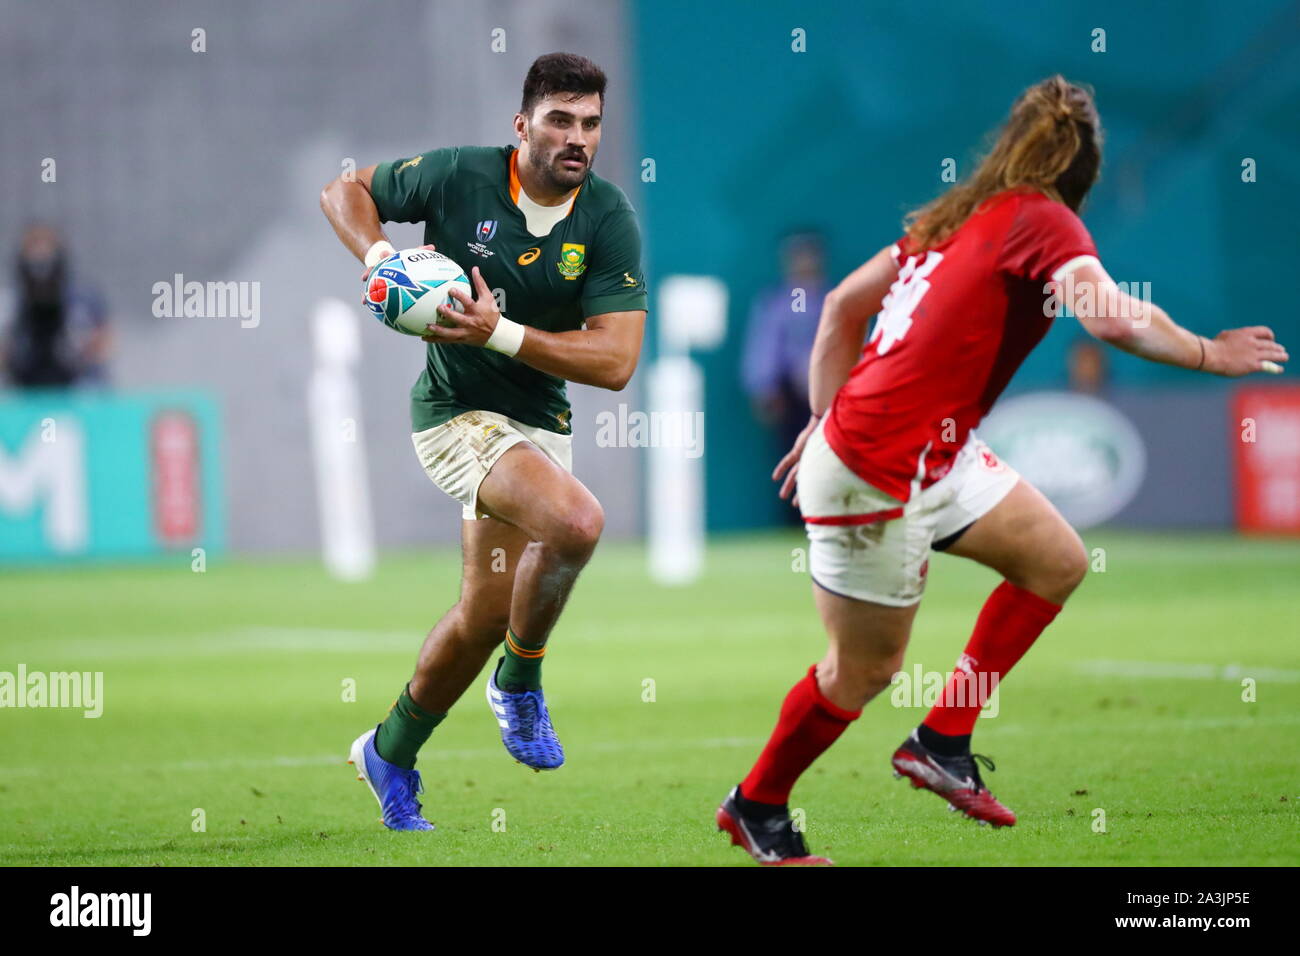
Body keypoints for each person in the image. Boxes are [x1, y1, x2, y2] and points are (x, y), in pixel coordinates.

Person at [716, 75, 1288, 865]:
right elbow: (1106, 315)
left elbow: (842, 310)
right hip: (875, 470)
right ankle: (758, 805)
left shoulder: (955, 218)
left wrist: (820, 417)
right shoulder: (1043, 220)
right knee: (865, 669)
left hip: (926, 450)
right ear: (1081, 170)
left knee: (1055, 560)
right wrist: (1205, 351)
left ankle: (942, 738)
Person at [320, 53, 647, 831]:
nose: (578, 138)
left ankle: (389, 751)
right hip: (454, 413)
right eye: (561, 120)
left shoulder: (607, 219)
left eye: (591, 124)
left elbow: (617, 361)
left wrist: (497, 330)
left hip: (538, 424)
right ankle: (522, 683)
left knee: (481, 616)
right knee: (577, 523)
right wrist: (380, 260)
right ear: (522, 124)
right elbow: (344, 188)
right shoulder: (458, 176)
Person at [741, 230, 829, 457]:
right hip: (792, 398)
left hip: (829, 392)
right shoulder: (779, 303)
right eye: (798, 255)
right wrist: (764, 387)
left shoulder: (831, 297)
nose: (804, 261)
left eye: (809, 255)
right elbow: (765, 346)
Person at [1, 224, 111, 388]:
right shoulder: (10, 301)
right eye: (34, 245)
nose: (40, 255)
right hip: (22, 389)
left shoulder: (83, 299)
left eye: (46, 246)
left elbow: (105, 340)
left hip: (75, 386)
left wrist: (88, 349)